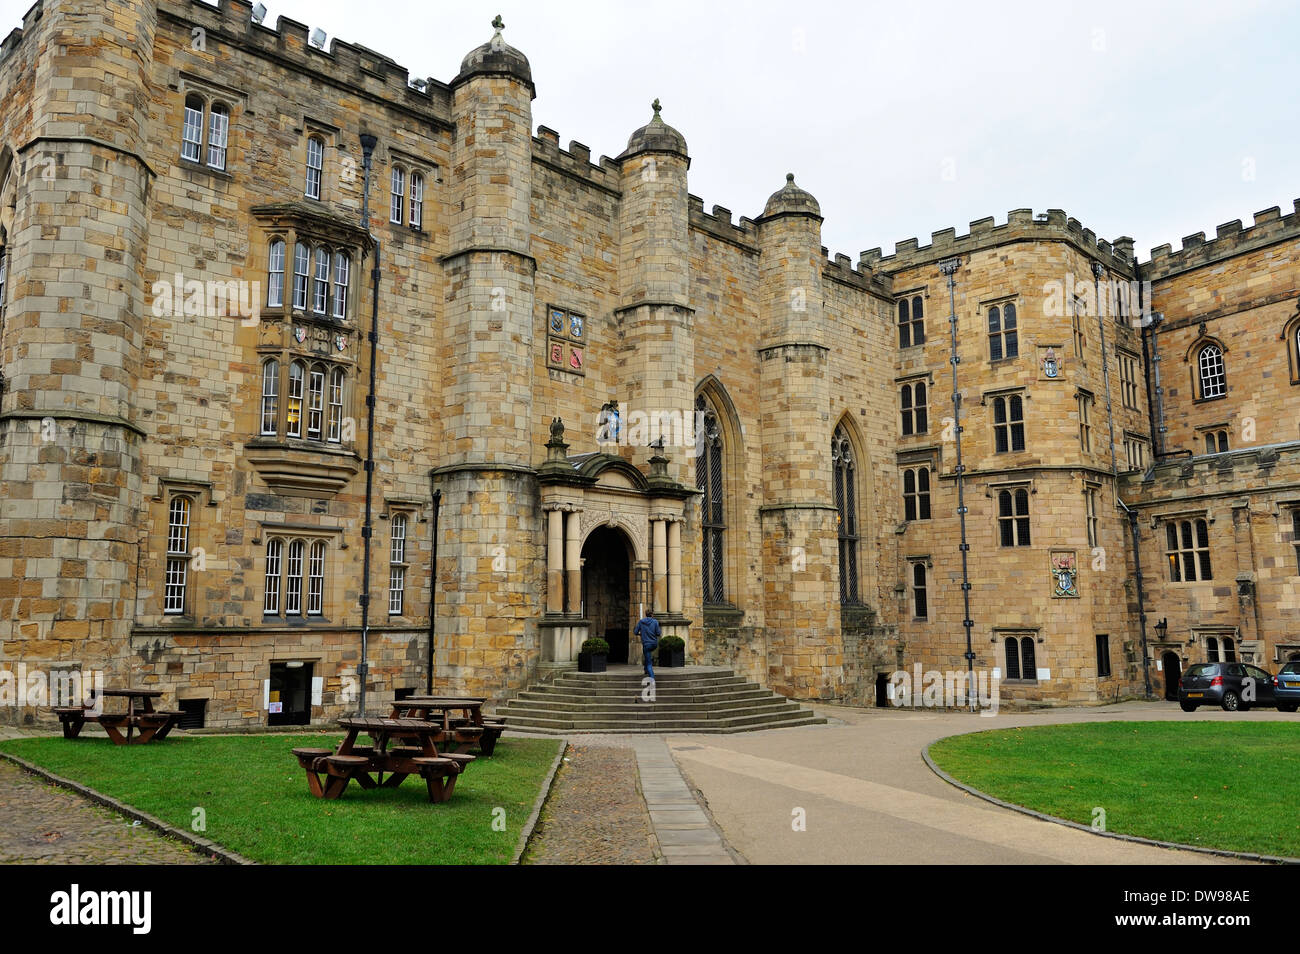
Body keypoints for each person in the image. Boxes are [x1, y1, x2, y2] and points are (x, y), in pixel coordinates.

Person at [635, 609, 661, 681]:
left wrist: (641, 634)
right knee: (647, 656)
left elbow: (635, 632)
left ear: (645, 614)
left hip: (646, 644)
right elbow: (658, 633)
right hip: (654, 644)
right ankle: (645, 670)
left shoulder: (641, 622)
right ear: (652, 614)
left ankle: (652, 678)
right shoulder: (655, 622)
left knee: (649, 662)